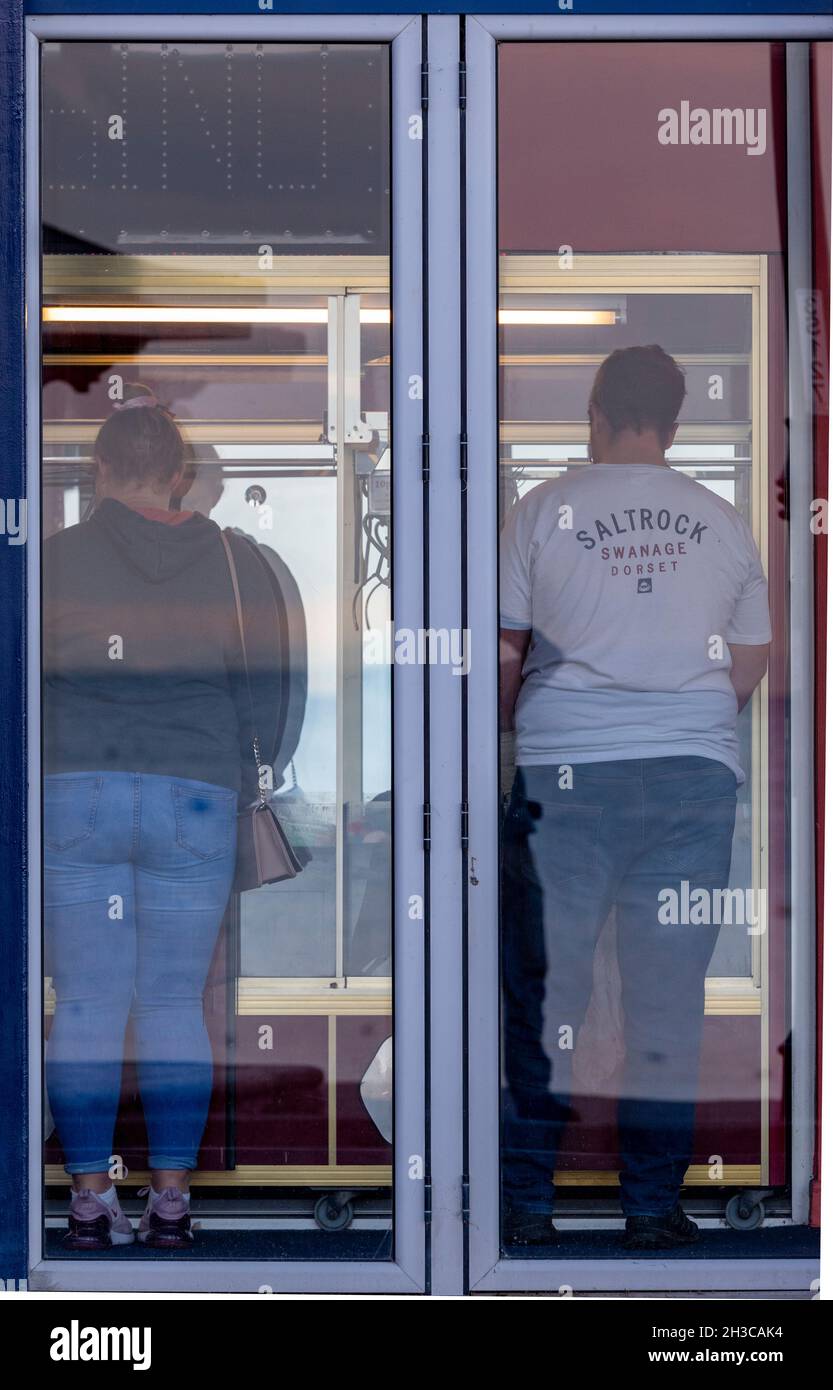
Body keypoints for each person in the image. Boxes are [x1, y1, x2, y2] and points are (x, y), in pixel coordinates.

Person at [499, 345, 771, 1250]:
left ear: (595, 410)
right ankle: (651, 1209)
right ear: (676, 421)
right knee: (666, 999)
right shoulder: (724, 522)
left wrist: (533, 725)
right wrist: (676, 724)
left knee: (546, 996)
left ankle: (525, 1209)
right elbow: (747, 664)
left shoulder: (539, 511)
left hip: (564, 777)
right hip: (690, 781)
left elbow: (505, 654)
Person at [43, 387, 285, 1250]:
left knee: (87, 1003)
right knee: (177, 1000)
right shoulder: (232, 559)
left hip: (75, 791)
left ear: (98, 470)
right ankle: (171, 1203)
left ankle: (85, 1201)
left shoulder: (52, 557)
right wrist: (253, 766)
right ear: (180, 476)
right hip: (194, 792)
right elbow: (273, 679)